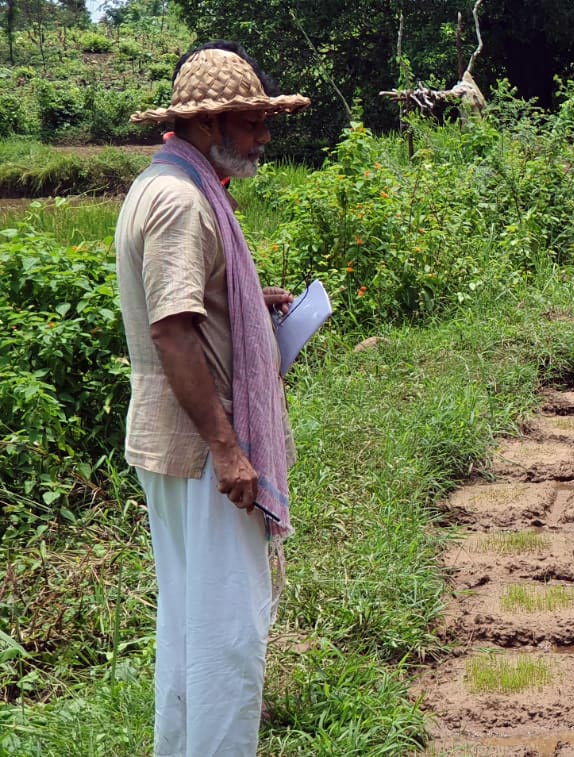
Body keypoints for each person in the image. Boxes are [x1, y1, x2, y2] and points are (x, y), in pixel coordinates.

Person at [116, 41, 309, 756]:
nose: (262, 137)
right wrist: (229, 448)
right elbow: (172, 332)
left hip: (176, 440)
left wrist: (246, 305)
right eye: (252, 122)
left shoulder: (170, 185)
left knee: (191, 621)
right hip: (201, 449)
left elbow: (186, 306)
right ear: (209, 124)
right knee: (227, 631)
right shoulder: (179, 201)